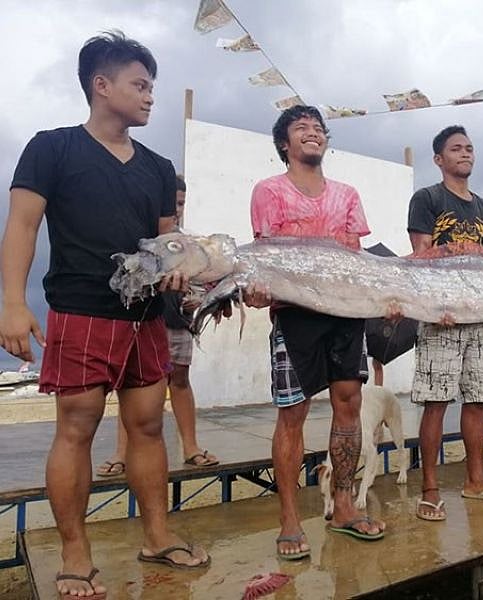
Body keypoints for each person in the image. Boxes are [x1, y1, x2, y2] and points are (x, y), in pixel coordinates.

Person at [0, 32, 209, 597]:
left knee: (146, 426)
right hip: (79, 312)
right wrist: (13, 304)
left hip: (145, 317)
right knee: (76, 429)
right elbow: (22, 225)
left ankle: (158, 535)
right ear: (101, 85)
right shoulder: (53, 147)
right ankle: (75, 553)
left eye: (151, 87)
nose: (149, 97)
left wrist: (186, 268)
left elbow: (168, 244)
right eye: (139, 85)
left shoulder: (159, 167)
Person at [246, 105, 385, 560]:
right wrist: (258, 289)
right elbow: (266, 258)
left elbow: (354, 255)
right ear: (284, 144)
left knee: (350, 406)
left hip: (345, 313)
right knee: (292, 415)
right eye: (300, 128)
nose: (312, 133)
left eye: (318, 128)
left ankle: (343, 505)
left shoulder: (347, 194)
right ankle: (289, 517)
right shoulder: (268, 191)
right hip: (295, 314)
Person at [407, 125, 483, 522]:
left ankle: (476, 480)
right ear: (439, 159)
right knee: (436, 403)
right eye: (456, 149)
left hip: (477, 315)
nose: (465, 154)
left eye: (469, 148)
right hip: (440, 313)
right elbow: (419, 254)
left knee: (478, 400)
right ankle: (430, 489)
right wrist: (451, 251)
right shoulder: (426, 197)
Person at [96, 175, 219, 478]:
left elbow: (199, 286)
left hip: (176, 321)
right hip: (140, 321)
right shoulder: (139, 242)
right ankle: (122, 452)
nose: (176, 210)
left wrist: (197, 301)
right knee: (131, 385)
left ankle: (190, 446)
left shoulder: (189, 244)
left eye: (180, 203)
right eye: (172, 203)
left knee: (179, 379)